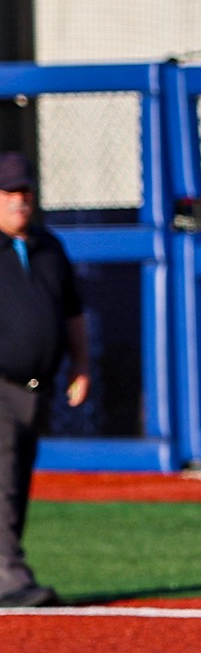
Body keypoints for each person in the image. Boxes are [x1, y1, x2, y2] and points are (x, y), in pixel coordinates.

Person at [0, 152, 89, 607]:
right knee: (4, 477)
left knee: (17, 477)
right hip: (1, 384)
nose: (20, 200)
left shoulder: (48, 247)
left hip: (38, 386)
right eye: (10, 192)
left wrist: (81, 364)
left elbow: (71, 312)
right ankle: (8, 577)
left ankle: (8, 568)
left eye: (25, 192)